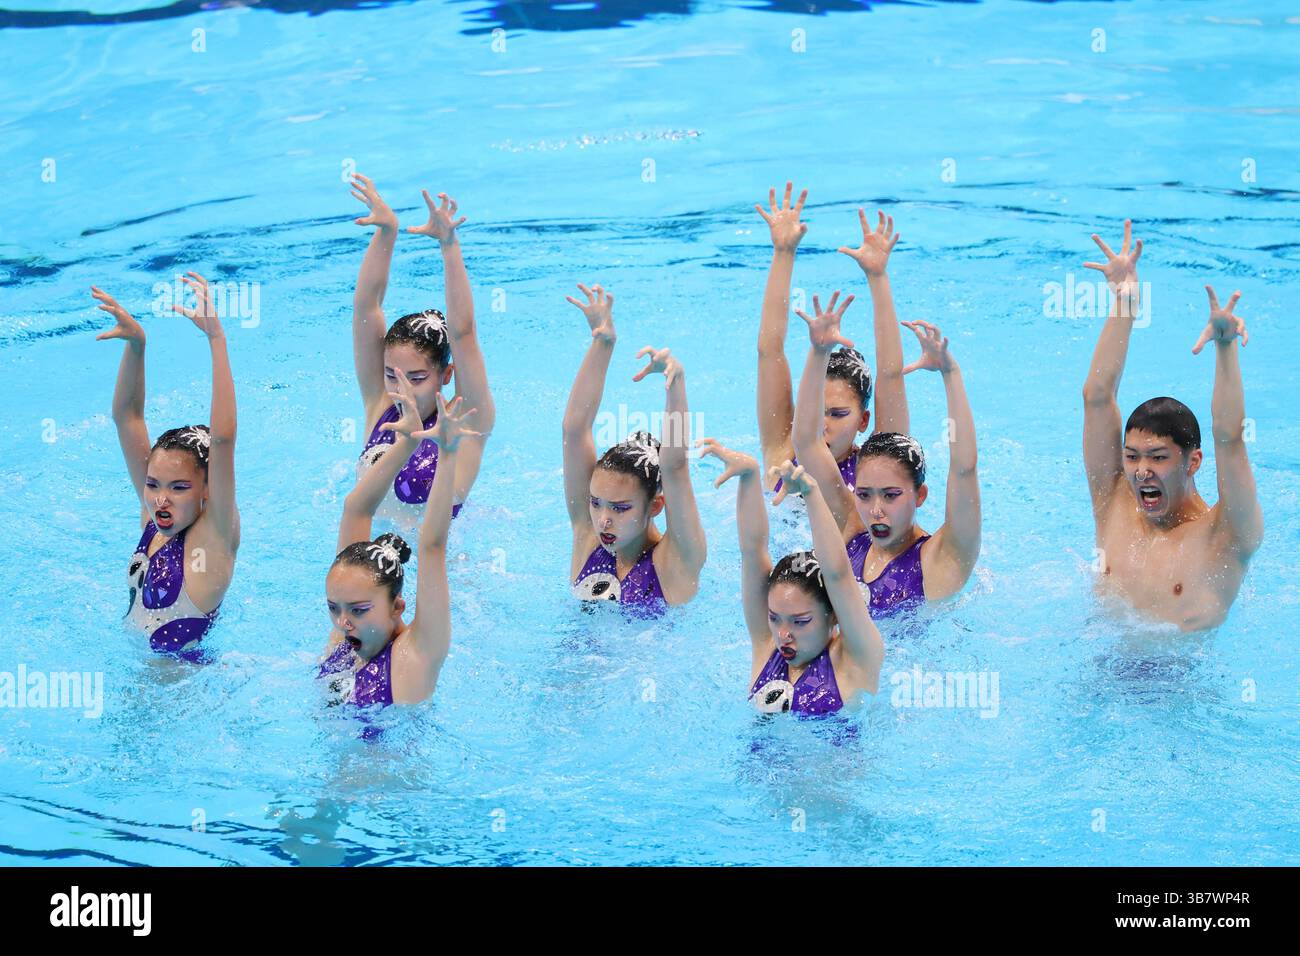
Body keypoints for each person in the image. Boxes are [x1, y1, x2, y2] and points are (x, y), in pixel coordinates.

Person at [1081, 220, 1263, 630]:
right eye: (1131, 456)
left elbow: (1230, 438)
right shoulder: (1114, 503)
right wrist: (1124, 305)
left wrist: (1226, 349)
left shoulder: (1225, 536)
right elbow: (1096, 397)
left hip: (1178, 690)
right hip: (1097, 679)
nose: (1141, 469)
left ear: (1193, 460)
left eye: (1158, 457)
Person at [790, 291, 981, 614]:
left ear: (919, 495)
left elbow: (964, 469)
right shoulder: (852, 528)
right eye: (864, 495)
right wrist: (818, 352)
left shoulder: (940, 559)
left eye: (891, 495)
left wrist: (951, 375)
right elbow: (807, 443)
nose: (875, 510)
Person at [95, 274, 240, 661]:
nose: (161, 498)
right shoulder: (153, 520)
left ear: (207, 489)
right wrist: (137, 346)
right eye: (153, 483)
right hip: (137, 681)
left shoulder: (214, 538)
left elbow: (224, 439)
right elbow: (127, 417)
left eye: (179, 487)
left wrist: (216, 339)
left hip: (182, 699)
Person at [318, 370, 479, 706]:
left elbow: (432, 546)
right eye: (334, 608)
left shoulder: (417, 656)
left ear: (397, 607)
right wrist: (404, 443)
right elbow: (356, 509)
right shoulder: (346, 637)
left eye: (359, 610)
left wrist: (447, 454)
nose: (342, 621)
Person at [348, 174, 494, 524]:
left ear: (446, 374)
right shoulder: (381, 405)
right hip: (368, 567)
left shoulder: (467, 422)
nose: (401, 391)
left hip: (439, 568)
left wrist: (449, 246)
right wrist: (386, 233)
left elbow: (464, 334)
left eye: (416, 378)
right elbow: (366, 309)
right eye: (391, 376)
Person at [698, 441, 884, 715]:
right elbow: (752, 552)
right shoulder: (766, 645)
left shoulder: (855, 661)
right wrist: (749, 477)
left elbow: (839, 574)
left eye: (800, 621)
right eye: (774, 618)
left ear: (832, 615)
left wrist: (811, 494)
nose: (783, 634)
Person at [561, 283, 707, 614]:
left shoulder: (676, 562)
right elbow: (574, 430)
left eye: (620, 508)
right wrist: (602, 342)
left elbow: (675, 468)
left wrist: (676, 385)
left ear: (655, 506)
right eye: (596, 503)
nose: (603, 520)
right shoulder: (588, 537)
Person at [754, 183, 907, 495]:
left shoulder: (875, 467)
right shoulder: (782, 452)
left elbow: (891, 374)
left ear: (864, 421)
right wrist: (783, 253)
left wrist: (878, 278)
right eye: (814, 412)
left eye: (838, 414)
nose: (822, 424)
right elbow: (769, 351)